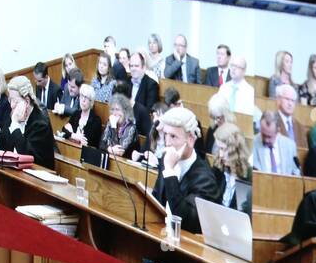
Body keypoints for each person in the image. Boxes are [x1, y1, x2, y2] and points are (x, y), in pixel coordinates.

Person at [153, 106, 219, 234]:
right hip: (160, 235)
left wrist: (170, 172)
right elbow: (157, 200)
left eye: (173, 136)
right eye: (165, 134)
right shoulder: (166, 160)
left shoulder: (205, 179)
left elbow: (185, 220)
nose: (167, 143)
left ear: (190, 140)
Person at [0, 74, 54, 167]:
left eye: (15, 101)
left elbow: (27, 156)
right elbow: (3, 136)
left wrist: (15, 125)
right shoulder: (13, 114)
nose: (12, 105)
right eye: (10, 100)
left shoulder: (41, 124)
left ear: (27, 102)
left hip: (36, 176)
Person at [210, 123, 253, 215]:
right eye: (219, 149)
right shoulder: (218, 168)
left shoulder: (250, 177)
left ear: (235, 149)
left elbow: (244, 213)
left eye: (224, 149)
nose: (221, 155)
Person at [251, 110, 300, 176]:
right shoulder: (253, 143)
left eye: (269, 137)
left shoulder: (290, 146)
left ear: (278, 131)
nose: (266, 140)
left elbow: (296, 172)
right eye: (263, 135)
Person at [209, 55, 256, 121]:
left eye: (237, 66)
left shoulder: (249, 91)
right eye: (232, 65)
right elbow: (217, 109)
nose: (233, 69)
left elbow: (248, 115)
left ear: (244, 71)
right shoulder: (223, 87)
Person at [127, 51, 159, 136]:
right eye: (131, 66)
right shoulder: (127, 81)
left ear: (144, 67)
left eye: (136, 66)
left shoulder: (152, 85)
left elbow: (149, 111)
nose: (133, 68)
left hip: (140, 128)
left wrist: (134, 104)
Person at [62, 81, 102, 149]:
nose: (83, 100)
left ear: (91, 101)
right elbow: (64, 130)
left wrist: (71, 135)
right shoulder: (76, 114)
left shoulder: (96, 120)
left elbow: (87, 141)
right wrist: (74, 136)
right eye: (82, 96)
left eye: (86, 97)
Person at [101, 93, 137, 159]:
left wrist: (114, 127)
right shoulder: (111, 122)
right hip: (110, 159)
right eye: (113, 110)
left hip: (124, 165)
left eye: (117, 110)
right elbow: (101, 143)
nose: (114, 113)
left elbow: (120, 151)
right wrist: (110, 149)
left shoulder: (131, 127)